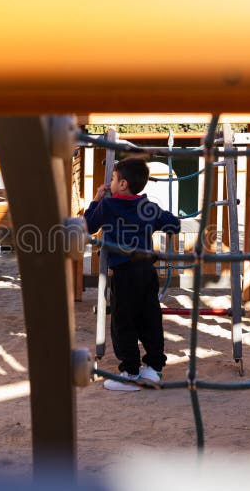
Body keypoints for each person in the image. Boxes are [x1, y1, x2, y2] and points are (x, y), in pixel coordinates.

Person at [84, 158, 180, 391]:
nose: (111, 183)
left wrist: (97, 200)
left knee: (123, 322)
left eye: (114, 179)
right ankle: (154, 368)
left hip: (124, 273)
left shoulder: (108, 206)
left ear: (123, 184)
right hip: (147, 273)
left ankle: (130, 372)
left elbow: (87, 225)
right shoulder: (148, 207)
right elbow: (174, 225)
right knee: (150, 318)